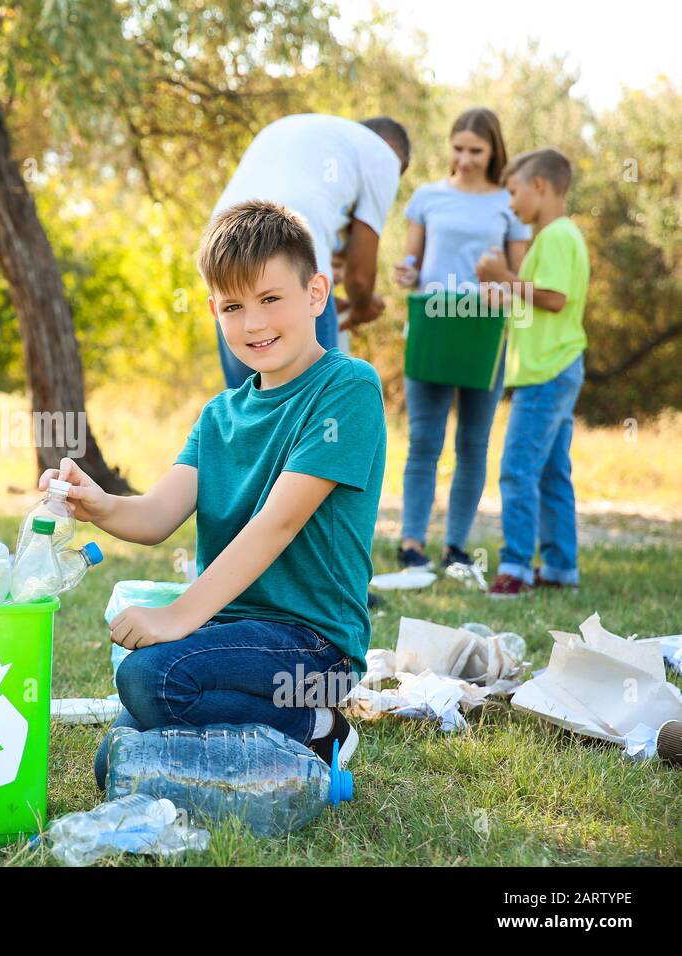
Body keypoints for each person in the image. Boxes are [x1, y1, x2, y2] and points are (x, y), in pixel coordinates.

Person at [46, 200, 386, 789]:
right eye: (233, 306)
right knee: (114, 765)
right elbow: (156, 515)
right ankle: (264, 747)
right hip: (230, 636)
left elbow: (277, 525)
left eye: (270, 299)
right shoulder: (219, 414)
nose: (253, 324)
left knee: (150, 680)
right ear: (213, 311)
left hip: (311, 646)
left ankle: (320, 725)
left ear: (316, 293)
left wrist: (178, 615)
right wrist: (99, 503)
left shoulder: (347, 388)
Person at [393, 108, 530, 573]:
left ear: (494, 152)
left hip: (482, 331)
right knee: (424, 441)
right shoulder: (427, 196)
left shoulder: (507, 204)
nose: (465, 158)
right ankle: (412, 543)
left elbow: (519, 277)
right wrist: (407, 271)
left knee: (473, 442)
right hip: (432, 325)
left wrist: (502, 282)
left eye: (476, 150)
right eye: (458, 148)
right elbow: (412, 262)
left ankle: (455, 547)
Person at [211, 113, 409, 386]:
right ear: (399, 161)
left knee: (246, 406)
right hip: (287, 241)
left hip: (223, 248)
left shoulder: (314, 136)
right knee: (312, 404)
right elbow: (360, 278)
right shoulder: (384, 157)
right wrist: (362, 307)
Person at [476, 148, 588, 596]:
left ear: (539, 186)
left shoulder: (557, 235)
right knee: (551, 473)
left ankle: (516, 568)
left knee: (517, 470)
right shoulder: (554, 237)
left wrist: (503, 274)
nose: (511, 202)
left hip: (546, 372)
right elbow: (538, 299)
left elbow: (555, 298)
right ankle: (561, 567)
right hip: (555, 368)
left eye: (514, 190)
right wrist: (503, 291)